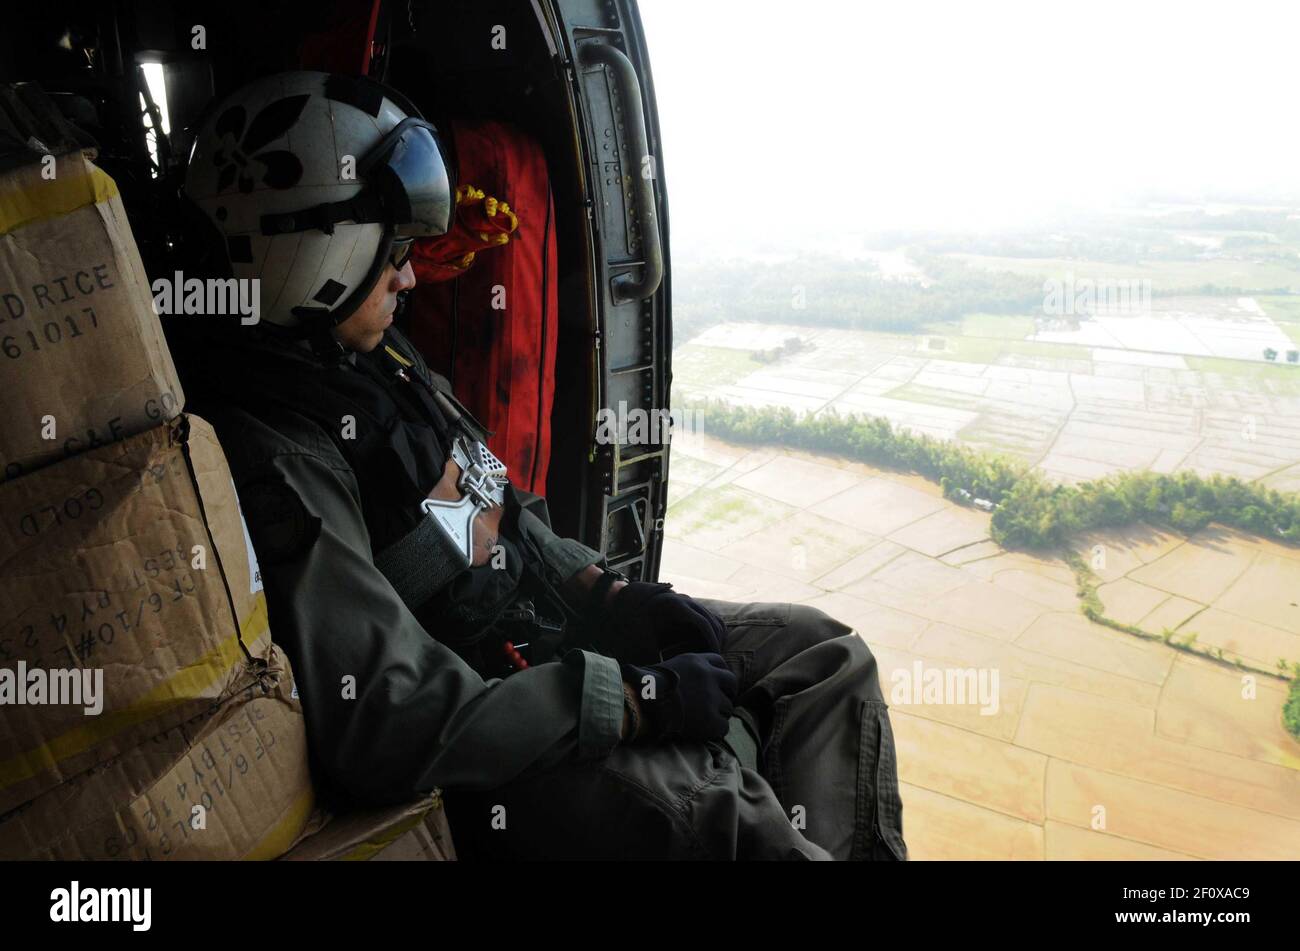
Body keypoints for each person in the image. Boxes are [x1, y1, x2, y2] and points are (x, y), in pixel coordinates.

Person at [177, 70, 906, 861]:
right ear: (311, 252)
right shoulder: (281, 453)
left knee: (822, 655)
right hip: (497, 739)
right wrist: (632, 701)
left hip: (545, 638)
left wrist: (608, 588)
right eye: (390, 255)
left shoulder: (367, 359)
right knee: (725, 823)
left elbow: (493, 500)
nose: (411, 275)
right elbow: (386, 719)